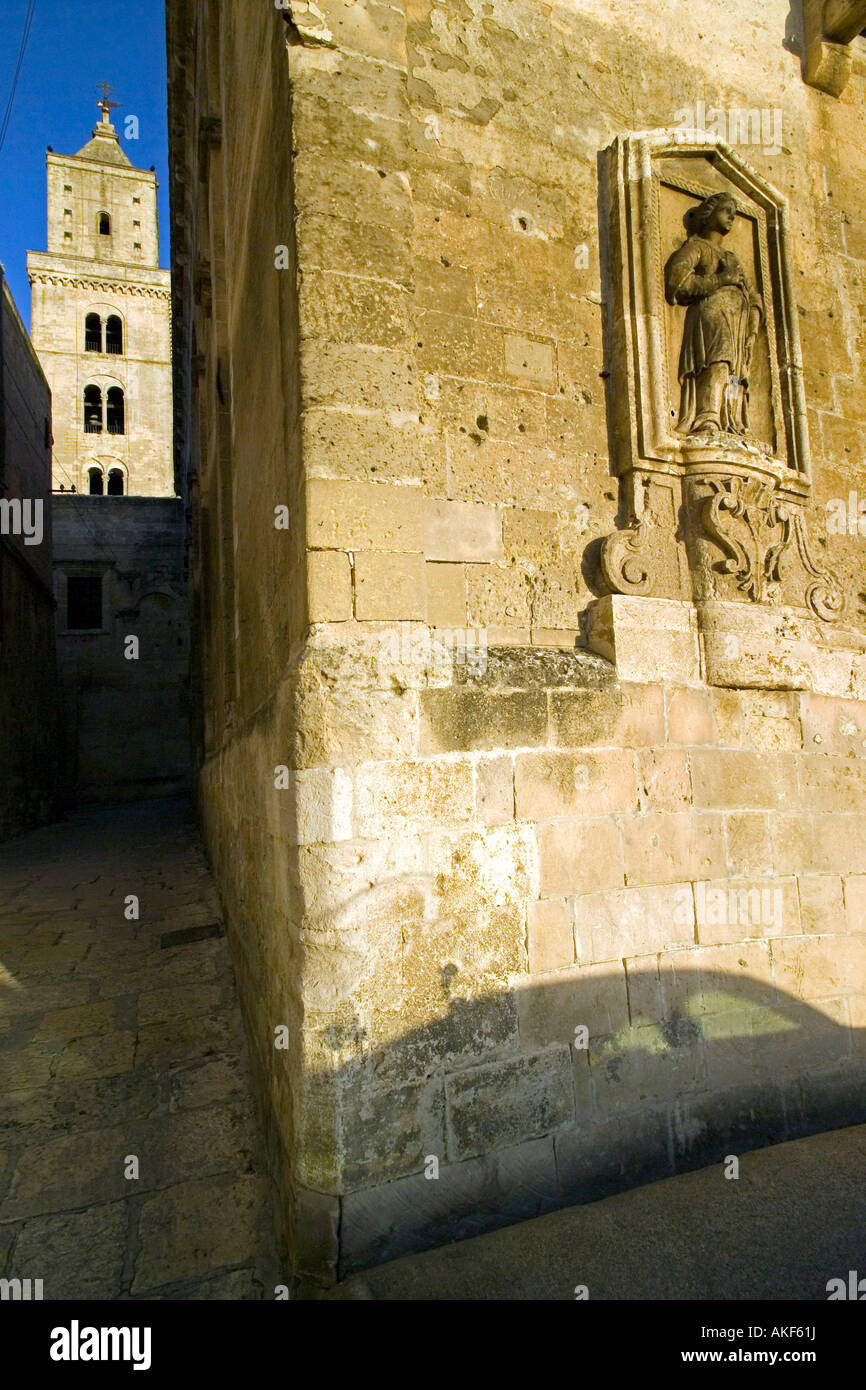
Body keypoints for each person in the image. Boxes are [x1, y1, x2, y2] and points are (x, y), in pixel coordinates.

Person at [664, 193, 763, 436]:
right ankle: (707, 417)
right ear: (708, 214)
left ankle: (728, 419)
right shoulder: (697, 248)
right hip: (712, 314)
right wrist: (720, 279)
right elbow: (677, 282)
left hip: (738, 322)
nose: (732, 216)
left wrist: (752, 329)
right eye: (725, 209)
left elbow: (754, 297)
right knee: (718, 360)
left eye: (734, 211)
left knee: (733, 371)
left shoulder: (732, 258)